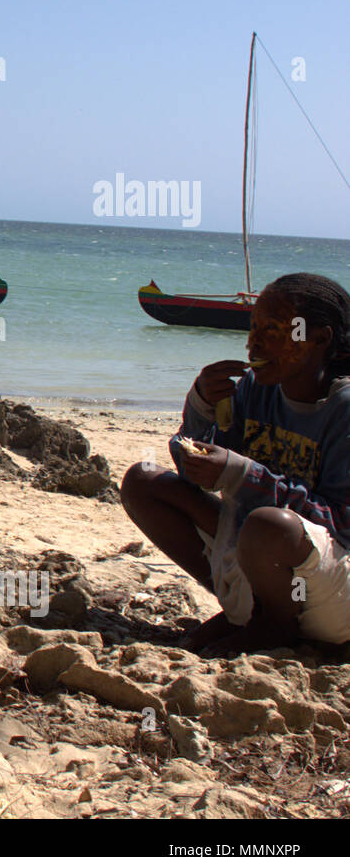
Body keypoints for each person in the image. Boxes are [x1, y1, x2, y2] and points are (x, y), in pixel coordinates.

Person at [120, 272, 350, 655]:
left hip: (331, 592)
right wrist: (201, 406)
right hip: (264, 565)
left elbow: (342, 522)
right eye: (253, 327)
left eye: (272, 329)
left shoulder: (342, 408)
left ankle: (273, 627)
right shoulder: (255, 388)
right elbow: (198, 469)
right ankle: (252, 612)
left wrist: (244, 474)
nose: (253, 342)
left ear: (320, 339)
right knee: (143, 482)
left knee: (269, 523)